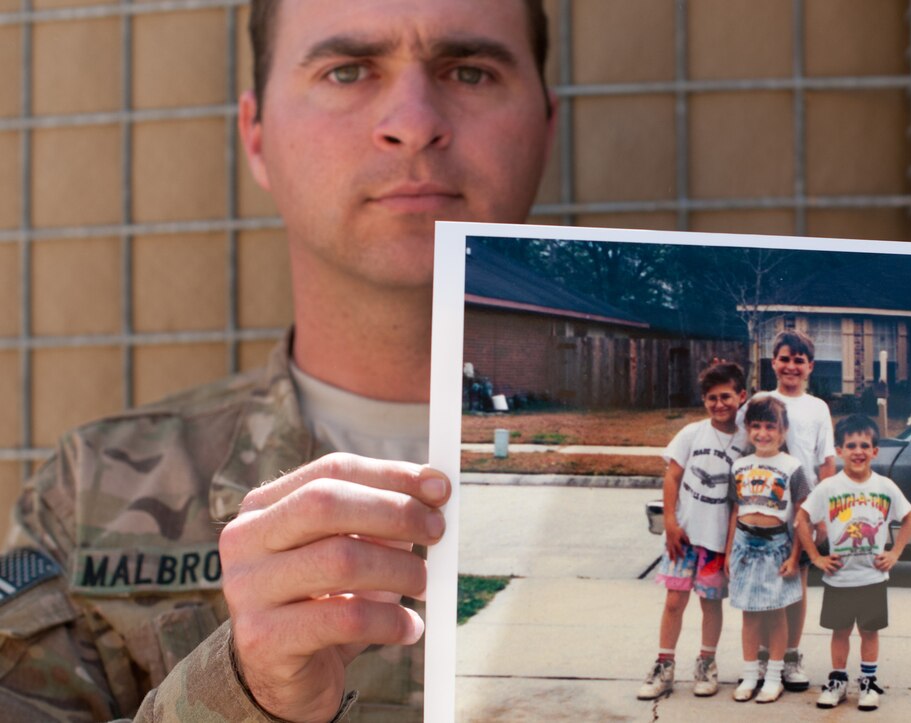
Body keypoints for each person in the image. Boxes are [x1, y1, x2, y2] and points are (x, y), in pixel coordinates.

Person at [0, 0, 556, 720]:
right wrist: (237, 692)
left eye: (471, 71)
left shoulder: (698, 476)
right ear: (256, 134)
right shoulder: (88, 499)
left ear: (546, 126)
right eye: (347, 70)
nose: (414, 121)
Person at [636, 362, 748, 701]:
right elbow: (672, 476)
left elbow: (741, 500)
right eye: (712, 398)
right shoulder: (692, 433)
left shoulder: (748, 441)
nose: (719, 404)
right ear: (704, 400)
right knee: (673, 601)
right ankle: (664, 665)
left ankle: (706, 663)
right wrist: (670, 522)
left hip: (717, 541)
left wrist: (730, 547)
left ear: (741, 396)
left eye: (726, 396)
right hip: (683, 538)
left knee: (710, 604)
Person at [796, 414, 911, 711]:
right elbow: (802, 518)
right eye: (851, 445)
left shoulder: (885, 486)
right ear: (839, 450)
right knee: (839, 631)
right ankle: (837, 680)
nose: (858, 451)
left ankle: (868, 681)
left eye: (865, 445)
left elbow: (910, 517)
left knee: (869, 631)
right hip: (839, 577)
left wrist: (895, 552)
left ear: (875, 451)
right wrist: (816, 557)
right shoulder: (829, 487)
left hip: (872, 577)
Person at [740, 328, 836, 690]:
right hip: (761, 507)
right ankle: (764, 658)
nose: (791, 366)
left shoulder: (818, 408)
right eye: (784, 358)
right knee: (763, 587)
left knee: (795, 584)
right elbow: (742, 440)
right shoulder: (761, 400)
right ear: (773, 362)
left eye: (799, 360)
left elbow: (826, 463)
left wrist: (822, 514)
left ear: (810, 366)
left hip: (802, 509)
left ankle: (791, 656)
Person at [726, 396, 812, 704]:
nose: (763, 433)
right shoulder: (739, 466)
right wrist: (727, 554)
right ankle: (751, 674)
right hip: (744, 547)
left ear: (784, 431)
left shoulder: (793, 468)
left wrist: (794, 556)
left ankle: (774, 677)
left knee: (777, 614)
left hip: (778, 546)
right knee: (749, 615)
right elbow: (735, 511)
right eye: (756, 426)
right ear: (748, 429)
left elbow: (802, 515)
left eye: (770, 427)